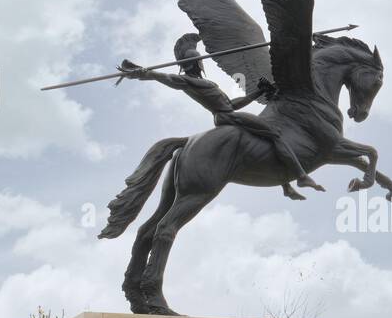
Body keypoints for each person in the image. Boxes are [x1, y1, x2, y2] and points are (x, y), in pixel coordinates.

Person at [116, 34, 325, 200]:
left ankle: (286, 186)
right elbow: (169, 78)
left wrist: (258, 93)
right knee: (276, 134)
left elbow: (232, 104)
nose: (198, 64)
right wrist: (147, 73)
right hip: (227, 119)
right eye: (196, 61)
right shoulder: (188, 81)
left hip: (228, 114)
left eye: (197, 61)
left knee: (265, 138)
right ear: (194, 64)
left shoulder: (205, 83)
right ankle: (301, 176)